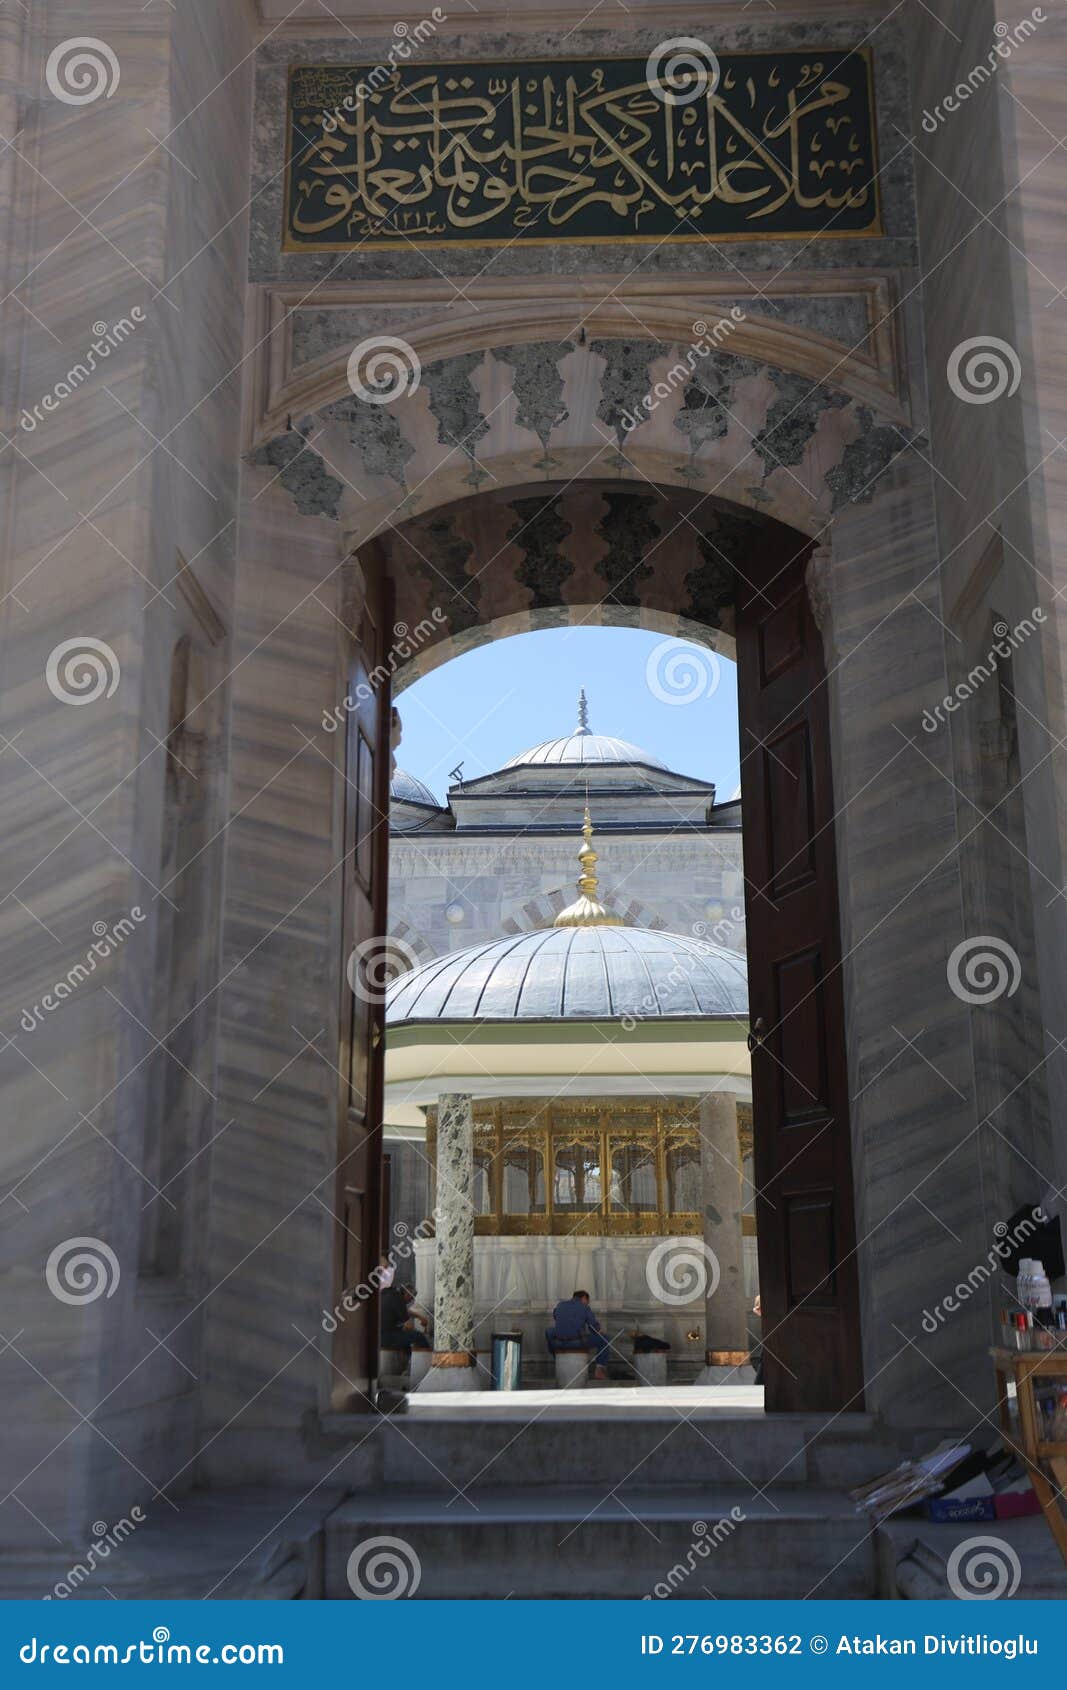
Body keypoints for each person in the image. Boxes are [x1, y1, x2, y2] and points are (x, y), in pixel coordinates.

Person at [545, 1289, 610, 1379]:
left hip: (558, 1343)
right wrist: (598, 1329)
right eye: (587, 1301)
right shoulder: (584, 1307)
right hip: (576, 1342)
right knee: (605, 1339)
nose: (588, 1304)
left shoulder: (560, 1305)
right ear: (583, 1298)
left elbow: (557, 1317)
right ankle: (600, 1369)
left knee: (549, 1331)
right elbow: (593, 1328)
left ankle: (557, 1358)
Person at [380, 1282, 430, 1356]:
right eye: (411, 1298)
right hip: (386, 1337)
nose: (411, 1301)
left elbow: (405, 1312)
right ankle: (426, 1363)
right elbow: (408, 1326)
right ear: (407, 1294)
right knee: (419, 1336)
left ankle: (407, 1364)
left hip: (379, 1335)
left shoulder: (390, 1294)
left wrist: (420, 1317)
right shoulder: (399, 1300)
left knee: (406, 1340)